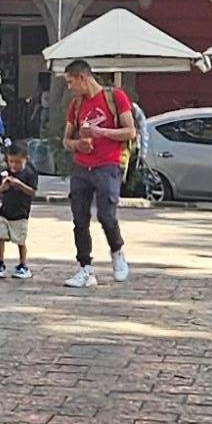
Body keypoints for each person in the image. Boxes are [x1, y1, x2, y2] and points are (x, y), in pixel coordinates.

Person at [63, 61, 136, 286]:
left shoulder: (115, 97)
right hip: (82, 166)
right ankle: (85, 268)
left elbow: (130, 131)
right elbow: (66, 140)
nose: (69, 87)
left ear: (83, 78)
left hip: (108, 165)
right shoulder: (76, 105)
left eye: (71, 82)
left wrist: (100, 132)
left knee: (106, 215)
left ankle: (117, 251)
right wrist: (78, 145)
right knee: (80, 219)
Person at [0, 144, 39, 279]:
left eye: (18, 162)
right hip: (5, 211)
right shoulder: (5, 172)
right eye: (11, 162)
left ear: (26, 159)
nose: (14, 165)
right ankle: (0, 262)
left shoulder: (29, 173)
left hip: (21, 213)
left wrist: (19, 184)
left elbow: (32, 191)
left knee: (20, 240)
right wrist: (4, 186)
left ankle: (22, 264)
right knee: (1, 237)